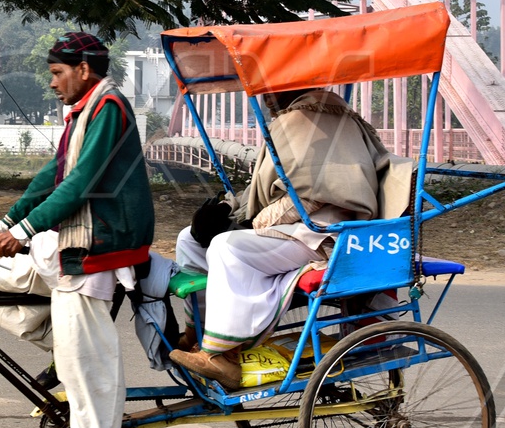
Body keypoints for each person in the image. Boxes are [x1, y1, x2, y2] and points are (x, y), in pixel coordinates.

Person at [0, 32, 155, 428]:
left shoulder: (108, 108)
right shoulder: (83, 111)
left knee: (86, 373)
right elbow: (53, 177)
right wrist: (5, 223)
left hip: (99, 245)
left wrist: (25, 231)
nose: (52, 83)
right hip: (73, 239)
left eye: (57, 73)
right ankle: (67, 344)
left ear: (84, 70)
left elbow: (80, 183)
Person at [169, 88, 400, 388]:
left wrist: (245, 223)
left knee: (226, 247)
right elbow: (268, 190)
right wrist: (227, 208)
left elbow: (308, 199)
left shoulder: (304, 119)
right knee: (189, 238)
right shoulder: (302, 116)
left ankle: (222, 355)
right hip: (296, 227)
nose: (266, 98)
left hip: (323, 235)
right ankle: (197, 331)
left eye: (271, 89)